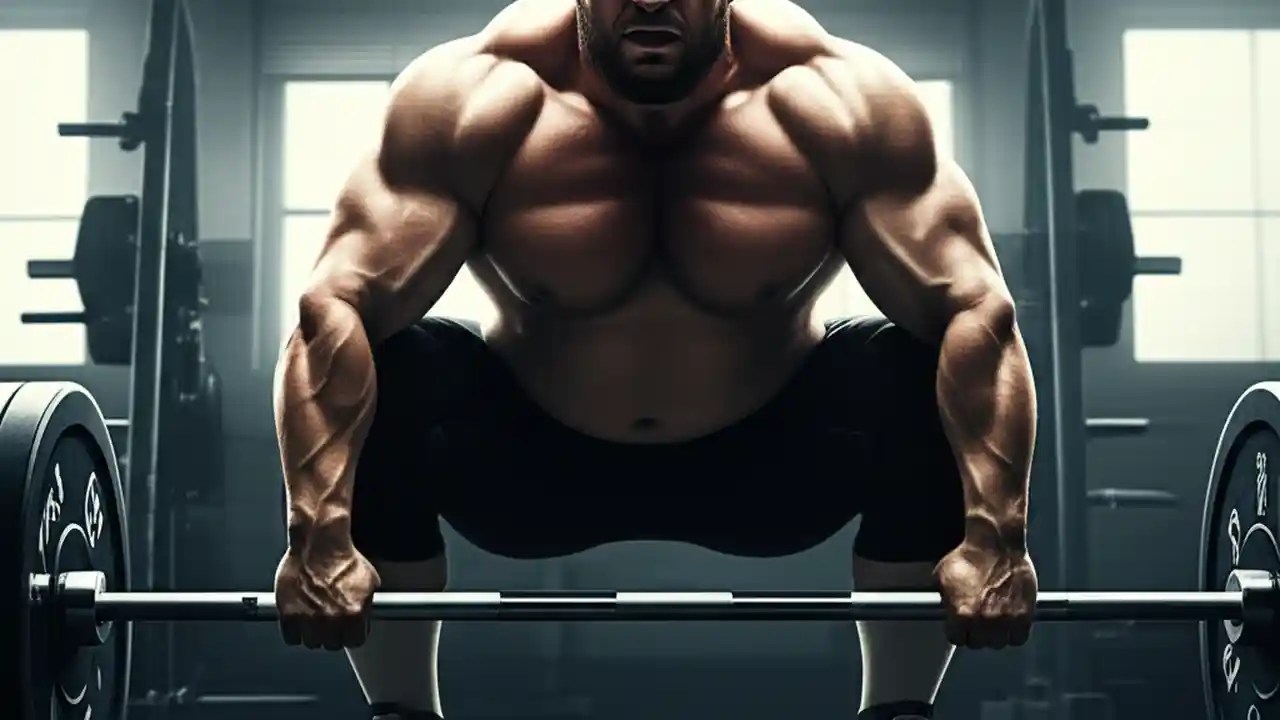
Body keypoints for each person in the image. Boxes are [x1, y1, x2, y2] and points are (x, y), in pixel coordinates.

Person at [272, 0, 1039, 718]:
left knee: (908, 363)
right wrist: (317, 537)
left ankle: (900, 708)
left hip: (774, 470)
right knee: (400, 363)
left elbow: (977, 310)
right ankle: (401, 710)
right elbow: (332, 309)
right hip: (531, 471)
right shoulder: (476, 95)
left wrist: (997, 538)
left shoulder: (836, 98)